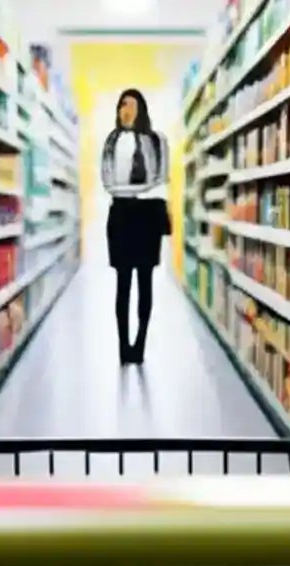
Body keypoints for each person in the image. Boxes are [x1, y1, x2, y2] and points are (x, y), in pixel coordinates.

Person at [101, 88, 170, 365]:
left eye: (131, 105)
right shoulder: (111, 141)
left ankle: (140, 343)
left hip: (147, 215)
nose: (126, 111)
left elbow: (161, 177)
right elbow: (106, 181)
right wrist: (132, 190)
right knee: (122, 283)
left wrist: (129, 189)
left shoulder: (156, 140)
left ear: (142, 108)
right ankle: (122, 345)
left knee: (145, 281)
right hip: (120, 214)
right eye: (121, 106)